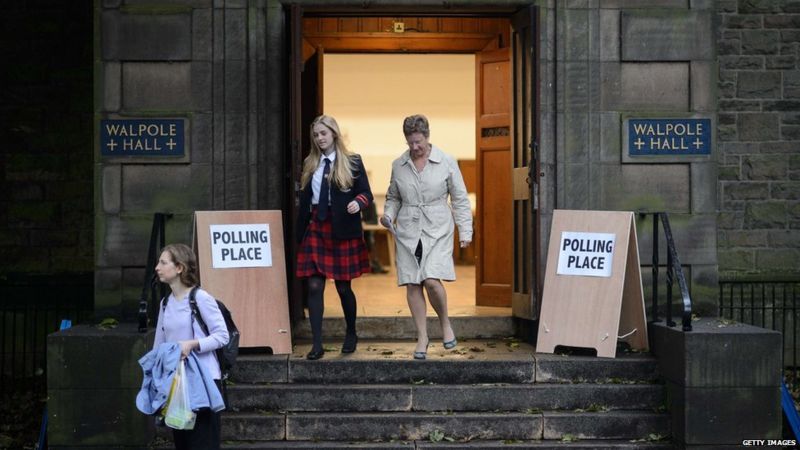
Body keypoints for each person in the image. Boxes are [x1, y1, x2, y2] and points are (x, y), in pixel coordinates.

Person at [380, 114, 472, 360]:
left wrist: (465, 231)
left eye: (418, 142)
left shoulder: (446, 161)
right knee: (413, 282)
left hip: (438, 226)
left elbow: (460, 199)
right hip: (408, 229)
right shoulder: (398, 165)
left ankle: (444, 323)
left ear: (427, 137)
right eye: (410, 142)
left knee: (431, 279)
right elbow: (393, 197)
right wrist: (388, 215)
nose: (414, 147)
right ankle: (422, 336)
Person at [296, 114, 374, 360]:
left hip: (342, 228)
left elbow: (366, 193)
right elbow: (305, 200)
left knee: (342, 287)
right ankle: (317, 344)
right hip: (316, 227)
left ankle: (351, 333)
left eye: (323, 133)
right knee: (314, 285)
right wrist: (299, 234)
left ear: (333, 133)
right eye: (316, 135)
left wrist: (357, 203)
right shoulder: (310, 163)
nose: (320, 138)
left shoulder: (352, 161)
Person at [153, 243, 229, 450]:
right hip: (177, 383)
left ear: (179, 268)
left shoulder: (200, 298)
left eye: (163, 262)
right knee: (183, 442)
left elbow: (222, 336)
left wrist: (192, 344)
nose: (157, 267)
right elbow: (159, 344)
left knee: (203, 441)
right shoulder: (165, 303)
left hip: (203, 381)